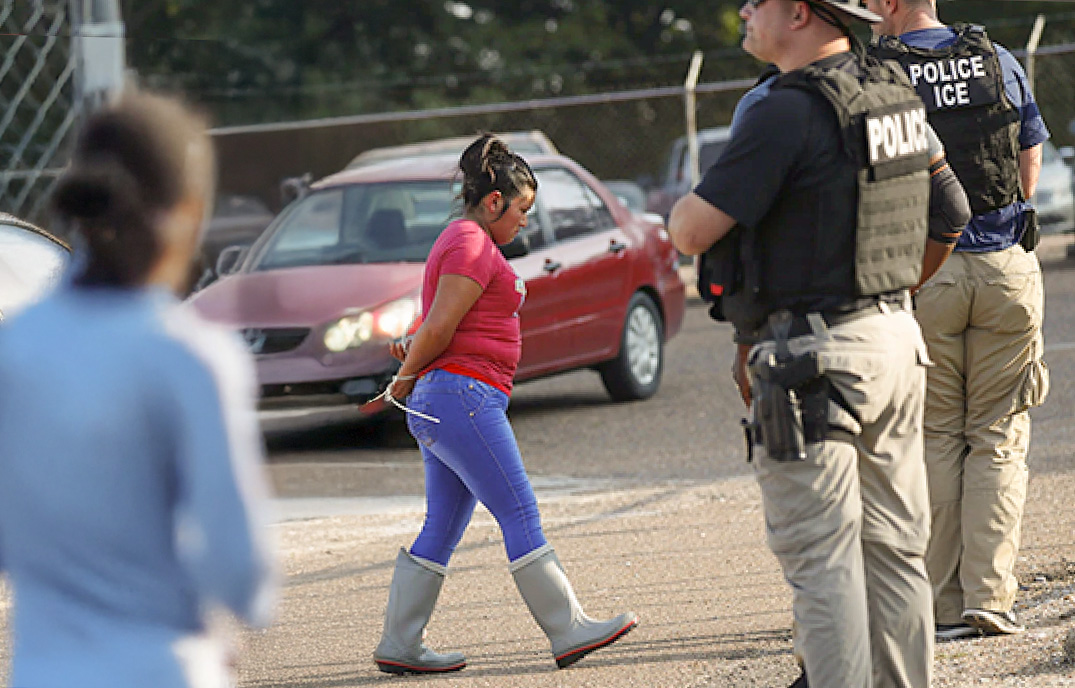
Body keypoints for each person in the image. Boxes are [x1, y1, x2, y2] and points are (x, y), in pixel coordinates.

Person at [668, 1, 966, 686]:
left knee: (823, 562)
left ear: (798, 12)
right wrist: (889, 293)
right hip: (893, 341)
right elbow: (949, 209)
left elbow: (689, 230)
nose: (741, 11)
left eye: (755, 2)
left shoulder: (783, 110)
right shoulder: (893, 94)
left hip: (816, 359)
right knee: (894, 555)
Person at [0, 92, 278, 688]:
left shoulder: (16, 347)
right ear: (187, 212)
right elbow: (245, 577)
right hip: (163, 667)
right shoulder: (190, 356)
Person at [371, 134, 638, 675]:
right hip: (462, 397)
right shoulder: (471, 243)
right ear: (494, 202)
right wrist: (403, 376)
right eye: (522, 210)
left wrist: (414, 350)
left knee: (443, 524)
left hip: (449, 398)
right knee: (518, 511)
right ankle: (567, 629)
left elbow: (441, 321)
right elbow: (443, 325)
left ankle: (401, 643)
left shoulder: (464, 240)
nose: (526, 222)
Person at [867, 0, 1051, 641]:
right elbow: (1030, 154)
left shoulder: (878, 74)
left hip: (926, 271)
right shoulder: (996, 59)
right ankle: (990, 596)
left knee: (937, 434)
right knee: (998, 433)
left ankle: (942, 604)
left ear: (890, 3)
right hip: (1005, 265)